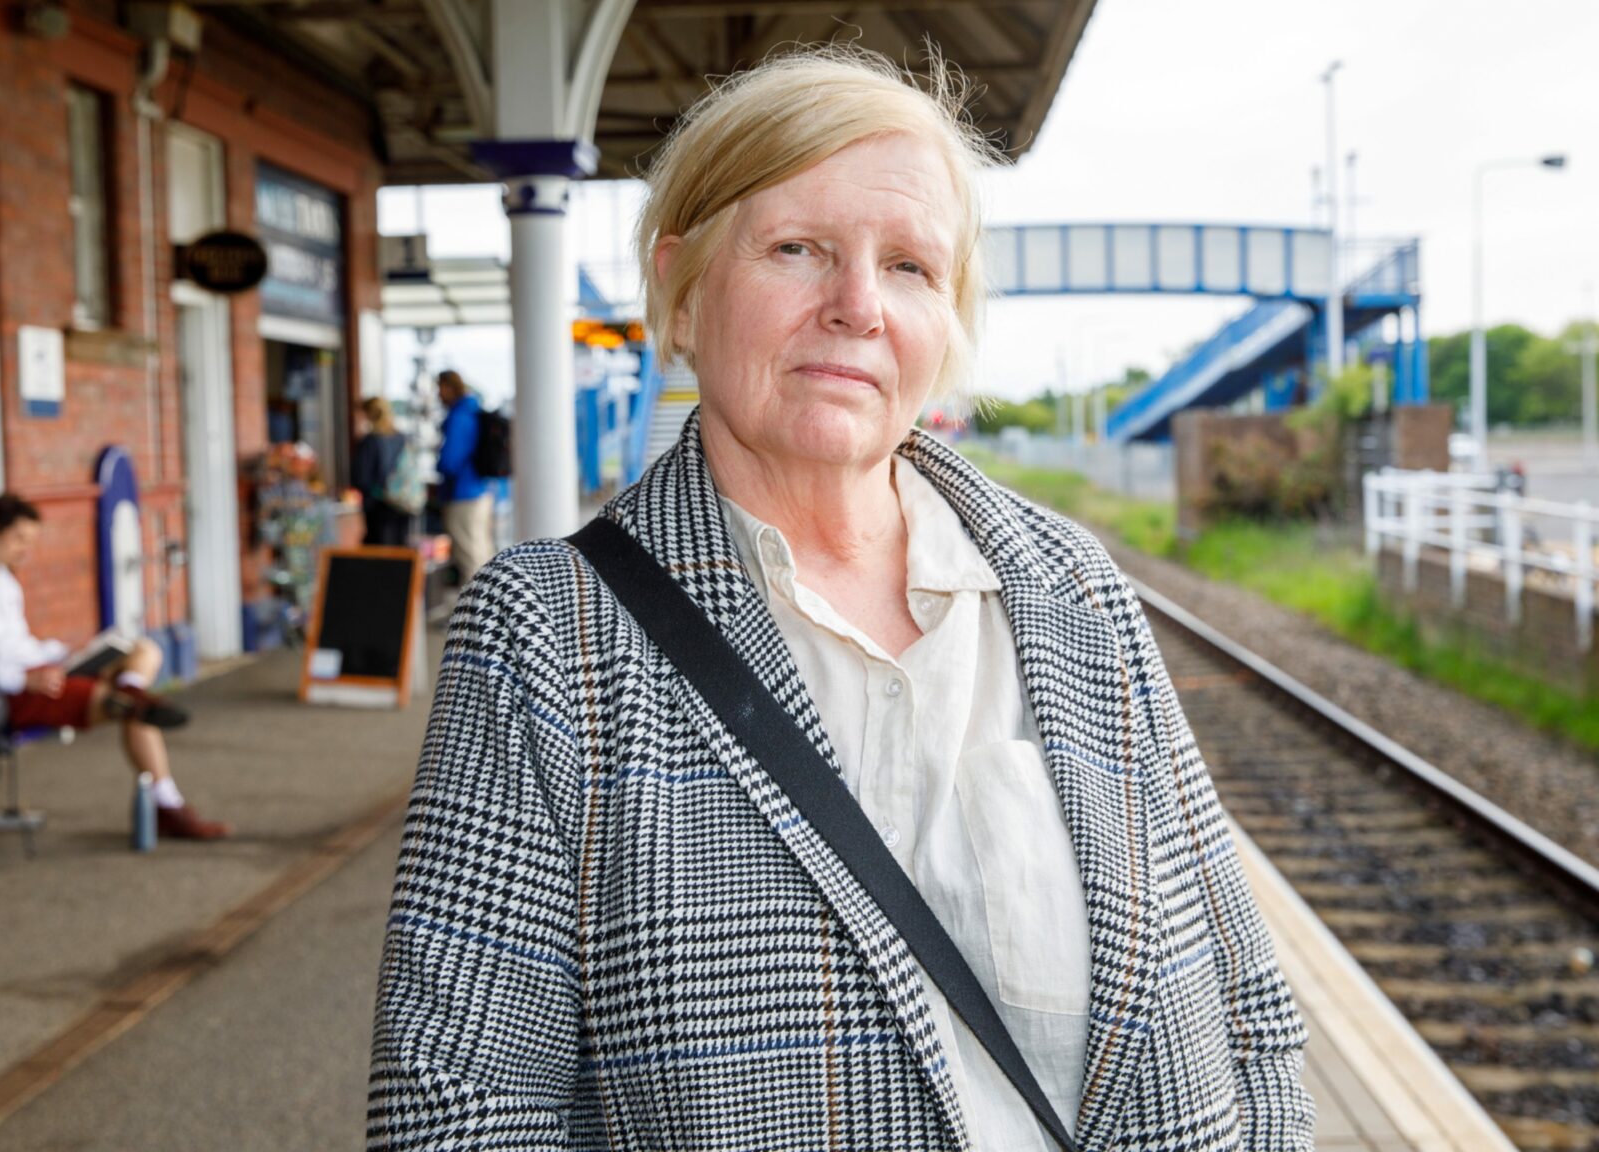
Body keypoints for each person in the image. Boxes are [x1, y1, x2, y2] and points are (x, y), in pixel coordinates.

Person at [370, 48, 1312, 1151]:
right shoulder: (545, 639)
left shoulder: (1074, 590)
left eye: (910, 267)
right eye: (797, 249)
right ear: (682, 290)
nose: (858, 307)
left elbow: (1249, 1011)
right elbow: (462, 1115)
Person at [0, 494, 230, 841]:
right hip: (6, 692)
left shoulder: (1, 580)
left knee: (143, 650)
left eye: (31, 542)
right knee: (132, 710)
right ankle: (167, 804)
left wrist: (67, 652)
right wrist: (24, 678)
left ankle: (130, 690)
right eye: (19, 539)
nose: (26, 551)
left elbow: (18, 642)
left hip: (39, 671)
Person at [432, 369, 494, 583]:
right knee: (481, 550)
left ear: (448, 387)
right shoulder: (473, 410)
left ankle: (474, 611)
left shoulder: (459, 416)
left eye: (439, 388)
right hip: (479, 490)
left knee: (469, 555)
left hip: (462, 494)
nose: (438, 394)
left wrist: (439, 464)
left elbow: (450, 460)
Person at [351, 397, 413, 547]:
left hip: (378, 505)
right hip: (402, 502)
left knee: (380, 553)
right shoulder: (402, 438)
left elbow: (361, 478)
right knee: (400, 550)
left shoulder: (370, 441)